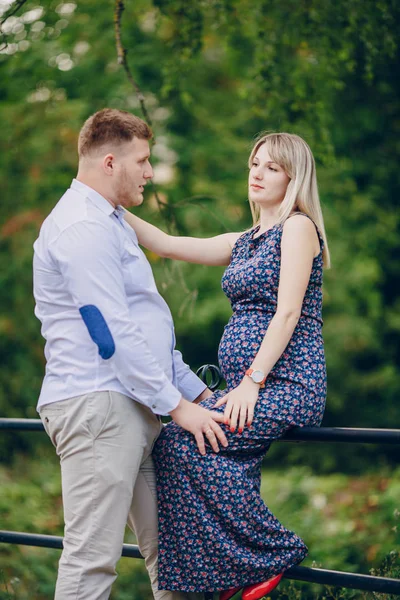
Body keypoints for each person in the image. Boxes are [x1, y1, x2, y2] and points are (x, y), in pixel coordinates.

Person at [123, 132, 330, 600]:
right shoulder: (245, 241)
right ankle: (231, 573)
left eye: (271, 167)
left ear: (294, 177)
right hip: (245, 387)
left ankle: (270, 554)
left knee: (181, 441)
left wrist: (252, 382)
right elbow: (166, 242)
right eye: (254, 164)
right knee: (179, 441)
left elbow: (288, 312)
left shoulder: (298, 228)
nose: (257, 173)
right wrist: (103, 202)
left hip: (285, 383)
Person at [33, 108, 228, 600]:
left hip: (135, 403)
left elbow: (144, 328)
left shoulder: (112, 221)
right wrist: (179, 406)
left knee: (175, 557)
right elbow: (112, 335)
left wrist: (198, 394)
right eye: (143, 161)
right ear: (111, 161)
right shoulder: (81, 227)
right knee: (92, 560)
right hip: (100, 406)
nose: (149, 172)